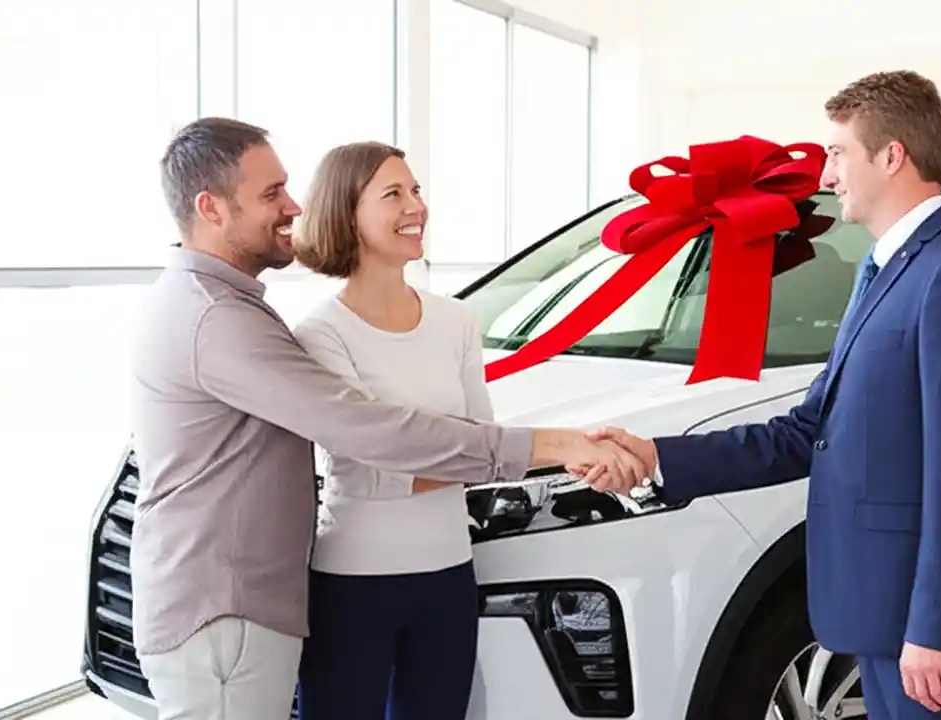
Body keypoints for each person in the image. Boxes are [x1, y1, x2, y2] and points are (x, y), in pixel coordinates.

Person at [129, 117, 646, 720]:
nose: (291, 206)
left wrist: (469, 459)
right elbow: (366, 440)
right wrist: (556, 445)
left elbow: (415, 451)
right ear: (210, 207)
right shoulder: (223, 320)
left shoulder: (232, 310)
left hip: (263, 600)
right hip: (233, 606)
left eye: (415, 189)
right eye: (271, 193)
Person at [590, 71, 941, 719]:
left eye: (837, 153)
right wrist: (655, 457)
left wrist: (937, 627)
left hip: (928, 633)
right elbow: (808, 431)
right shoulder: (883, 271)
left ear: (892, 155)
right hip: (882, 616)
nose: (826, 176)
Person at [287, 140, 489, 719]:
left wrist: (426, 457)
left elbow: (483, 444)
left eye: (417, 190)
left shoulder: (456, 320)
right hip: (354, 583)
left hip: (449, 574)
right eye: (393, 193)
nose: (416, 206)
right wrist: (455, 452)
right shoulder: (321, 332)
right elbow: (373, 470)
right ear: (347, 213)